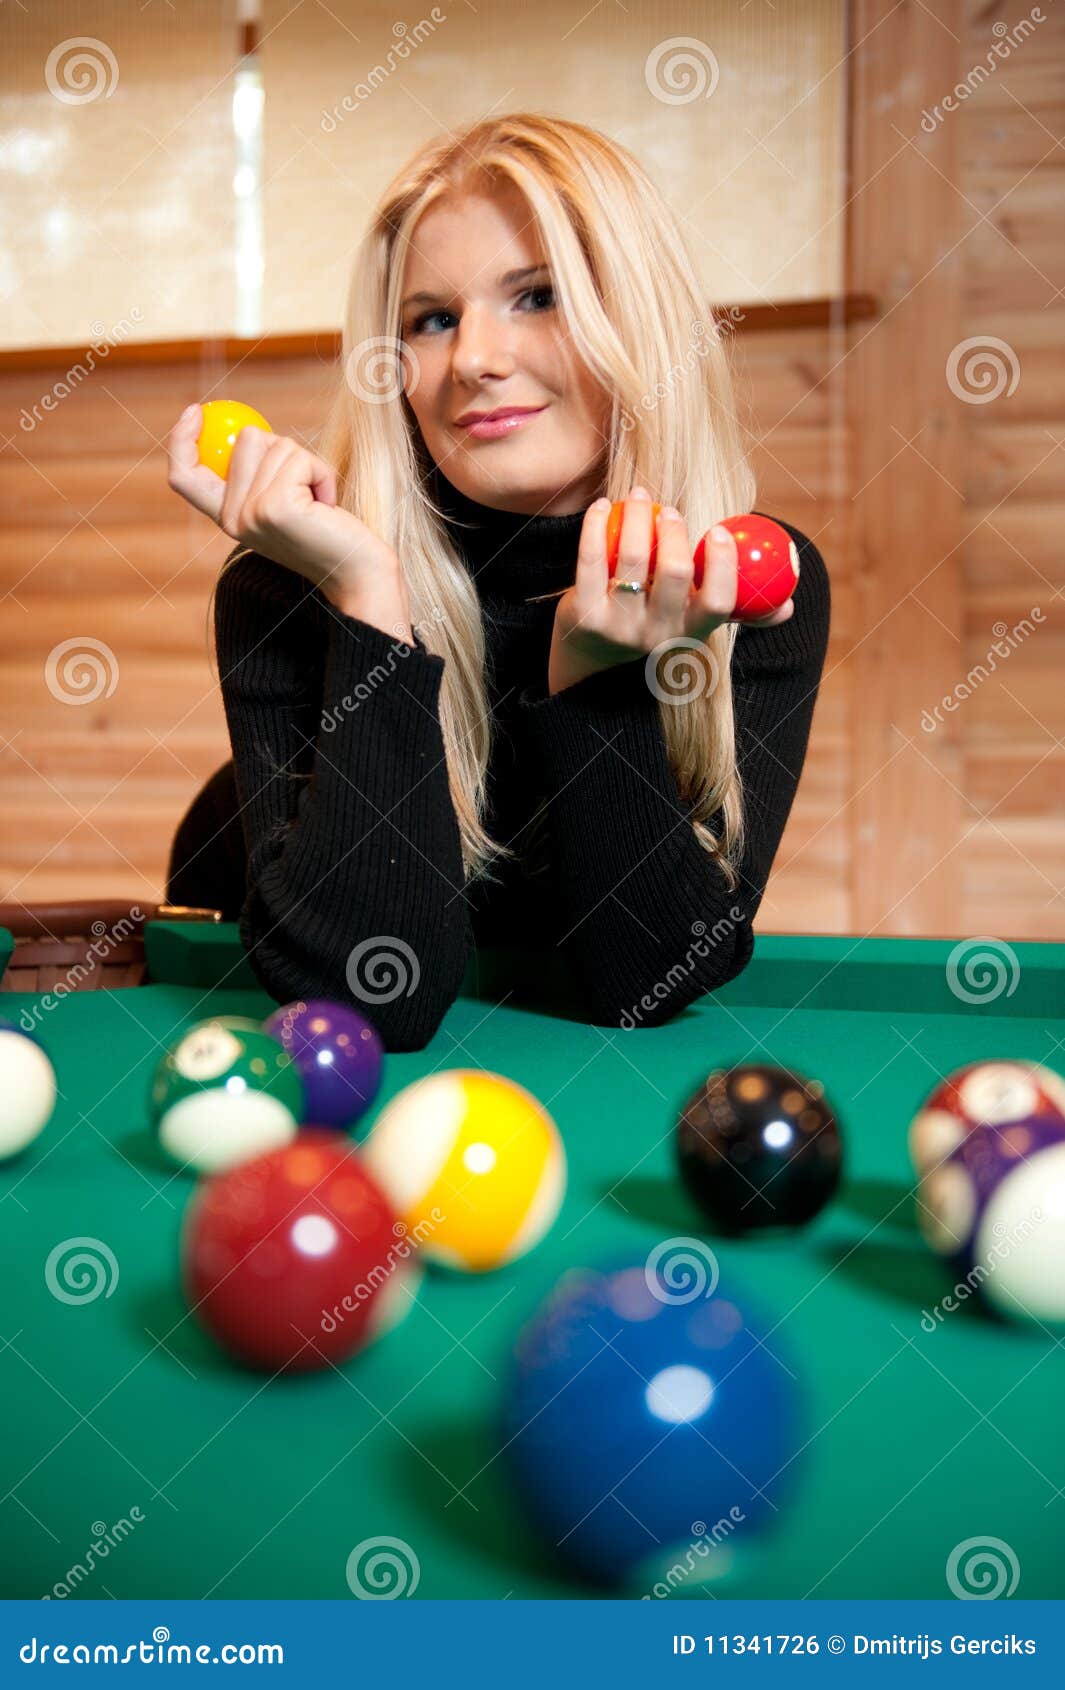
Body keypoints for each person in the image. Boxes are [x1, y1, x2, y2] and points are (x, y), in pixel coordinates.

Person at [166, 112, 830, 1051]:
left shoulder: (739, 581)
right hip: (247, 889)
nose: (473, 359)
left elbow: (644, 981)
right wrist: (367, 597)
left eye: (538, 296)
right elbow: (371, 1005)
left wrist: (597, 681)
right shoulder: (287, 586)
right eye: (432, 319)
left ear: (637, 324)